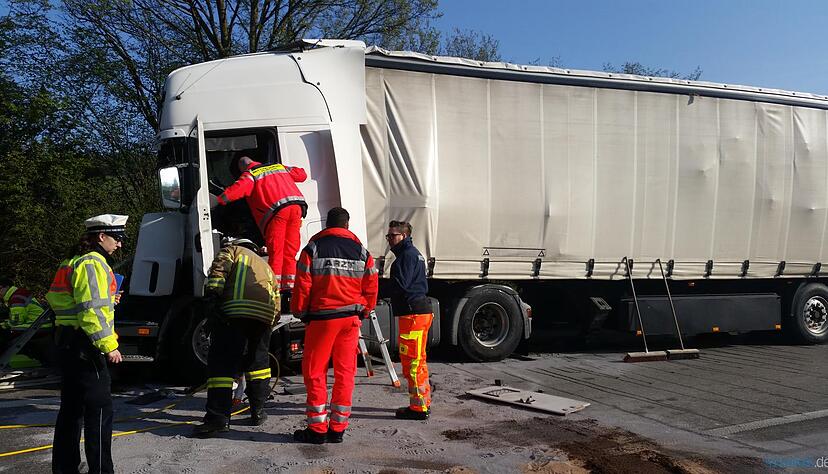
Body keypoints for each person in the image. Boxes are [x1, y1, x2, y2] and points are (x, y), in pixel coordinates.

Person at [46, 214, 127, 474]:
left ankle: (64, 468)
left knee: (70, 410)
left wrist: (109, 298)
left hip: (67, 341)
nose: (120, 244)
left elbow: (69, 302)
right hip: (86, 345)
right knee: (100, 411)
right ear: (101, 236)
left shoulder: (71, 261)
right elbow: (91, 311)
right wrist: (108, 346)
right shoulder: (93, 263)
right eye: (117, 238)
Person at [291, 207, 378, 444]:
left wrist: (300, 312)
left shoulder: (313, 248)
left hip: (322, 320)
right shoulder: (362, 252)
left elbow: (303, 285)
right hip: (350, 320)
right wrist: (365, 310)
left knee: (315, 372)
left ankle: (317, 430)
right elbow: (371, 286)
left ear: (327, 225)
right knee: (345, 373)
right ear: (347, 225)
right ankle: (338, 428)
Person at [193, 237, 279, 438]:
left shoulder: (232, 251)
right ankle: (258, 412)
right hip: (264, 318)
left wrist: (212, 302)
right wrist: (269, 324)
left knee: (221, 367)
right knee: (258, 365)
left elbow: (217, 275)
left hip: (235, 313)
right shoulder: (265, 266)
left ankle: (218, 419)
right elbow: (276, 298)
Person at [211, 153, 307, 293]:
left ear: (241, 168)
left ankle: (274, 290)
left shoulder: (251, 175)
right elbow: (302, 175)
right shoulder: (278, 167)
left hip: (277, 213)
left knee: (276, 252)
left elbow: (234, 192)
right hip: (297, 208)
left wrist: (217, 200)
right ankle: (289, 288)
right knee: (290, 251)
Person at [383, 220, 434, 420]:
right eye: (388, 236)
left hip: (412, 313)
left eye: (392, 236)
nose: (389, 240)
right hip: (418, 311)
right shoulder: (413, 254)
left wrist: (379, 291)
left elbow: (400, 285)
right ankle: (423, 402)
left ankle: (419, 408)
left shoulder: (405, 257)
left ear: (403, 236)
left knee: (412, 362)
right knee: (418, 360)